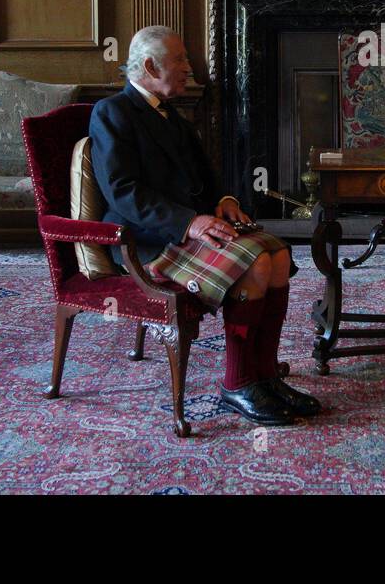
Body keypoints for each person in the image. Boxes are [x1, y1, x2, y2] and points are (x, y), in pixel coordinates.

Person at [89, 26, 321, 426]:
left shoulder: (171, 112)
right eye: (180, 59)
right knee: (257, 265)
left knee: (278, 254)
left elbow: (202, 175)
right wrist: (188, 223)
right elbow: (121, 192)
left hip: (190, 228)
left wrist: (223, 201)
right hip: (144, 238)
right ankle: (238, 383)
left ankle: (265, 375)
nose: (189, 68)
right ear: (149, 65)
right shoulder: (112, 113)